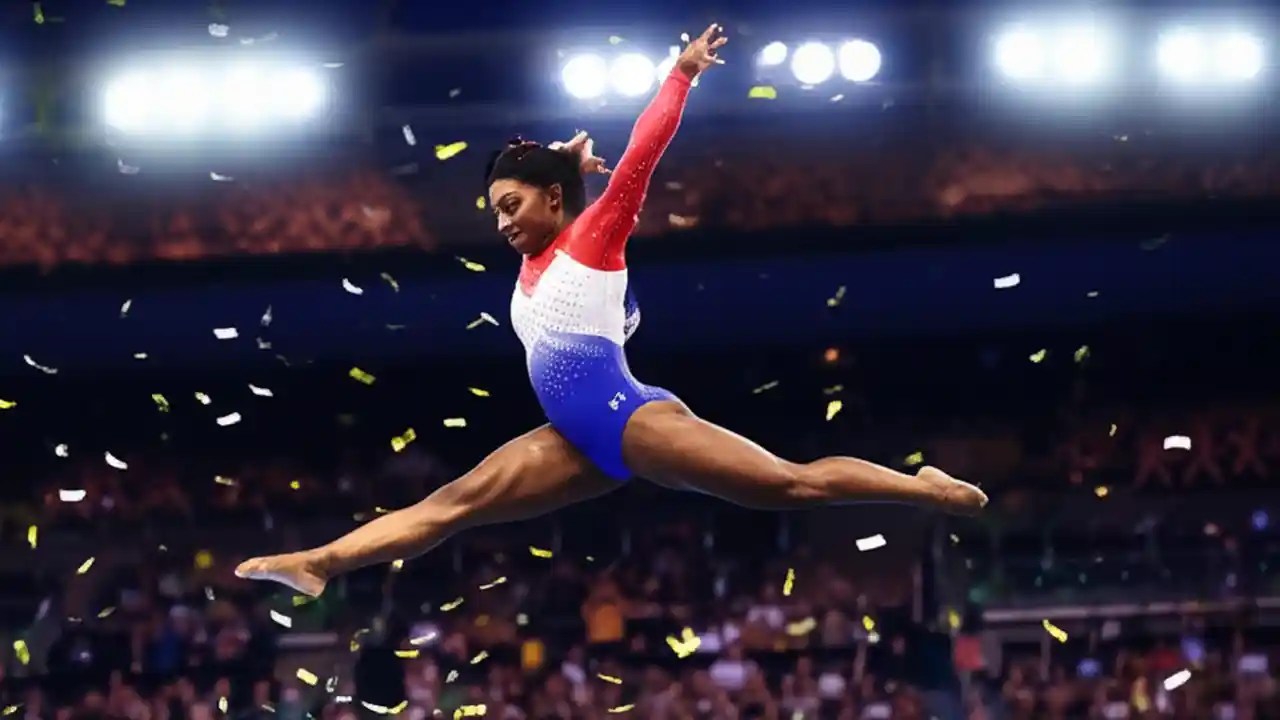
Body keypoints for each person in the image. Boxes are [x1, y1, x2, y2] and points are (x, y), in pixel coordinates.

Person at [235, 24, 986, 597]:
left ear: (553, 200)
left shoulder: (595, 236)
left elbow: (640, 157)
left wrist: (680, 76)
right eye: (494, 210)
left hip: (629, 415)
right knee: (451, 503)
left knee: (788, 485)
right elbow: (572, 234)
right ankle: (320, 564)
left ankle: (919, 484)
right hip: (574, 438)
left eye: (512, 204)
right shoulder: (537, 257)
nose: (500, 222)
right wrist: (563, 169)